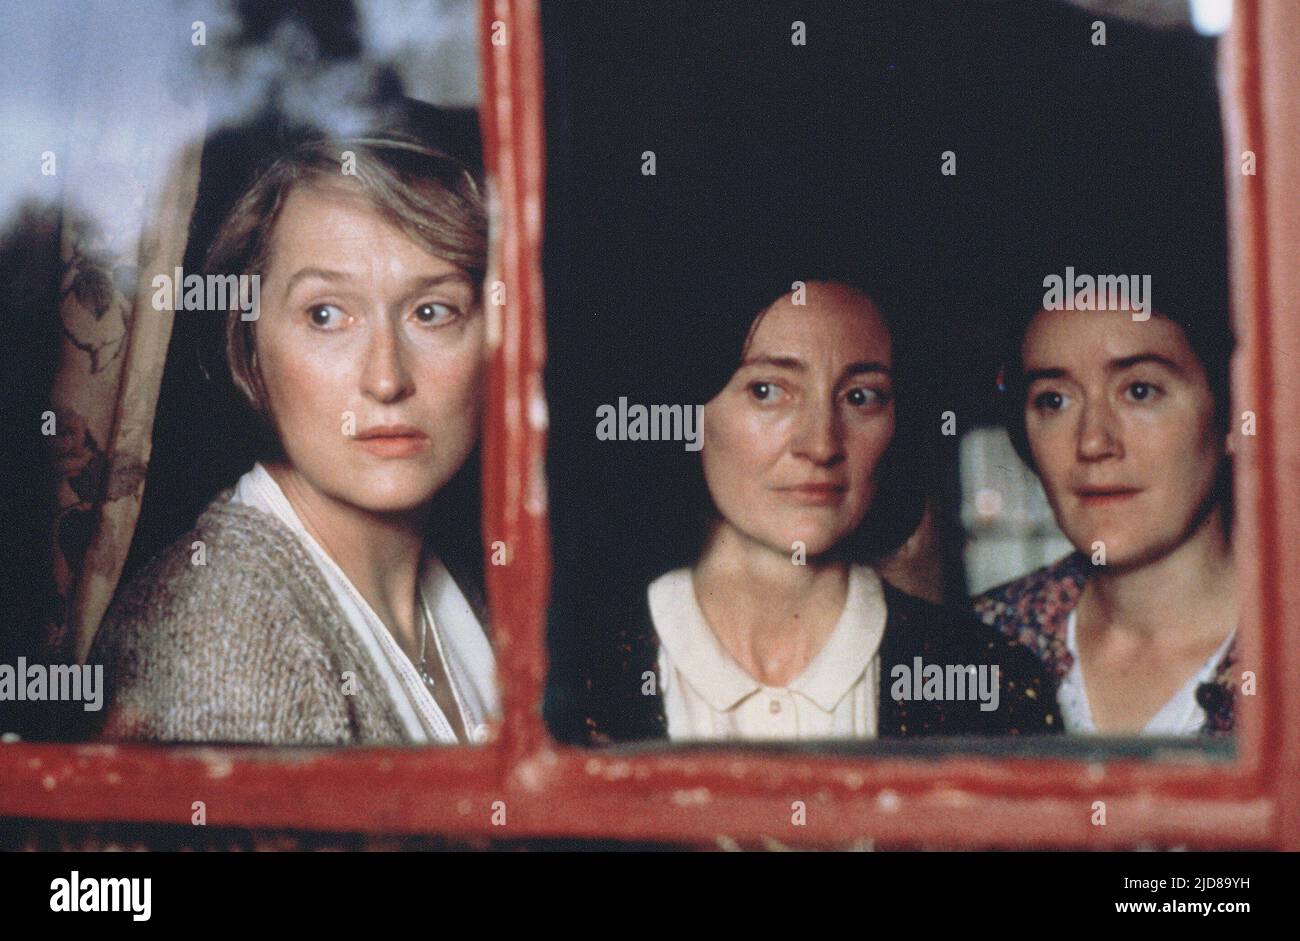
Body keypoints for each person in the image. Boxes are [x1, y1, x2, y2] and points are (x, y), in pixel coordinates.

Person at [90, 130, 497, 745]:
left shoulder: (457, 576)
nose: (386, 378)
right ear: (249, 349)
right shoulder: (225, 644)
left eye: (431, 311)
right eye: (325, 315)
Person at [584, 274, 1061, 743]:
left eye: (860, 397)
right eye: (767, 391)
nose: (821, 444)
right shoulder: (576, 674)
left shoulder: (988, 680)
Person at [974, 279, 1237, 736]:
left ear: (1232, 411)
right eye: (1054, 400)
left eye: (1140, 391)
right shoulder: (978, 643)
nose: (1093, 442)